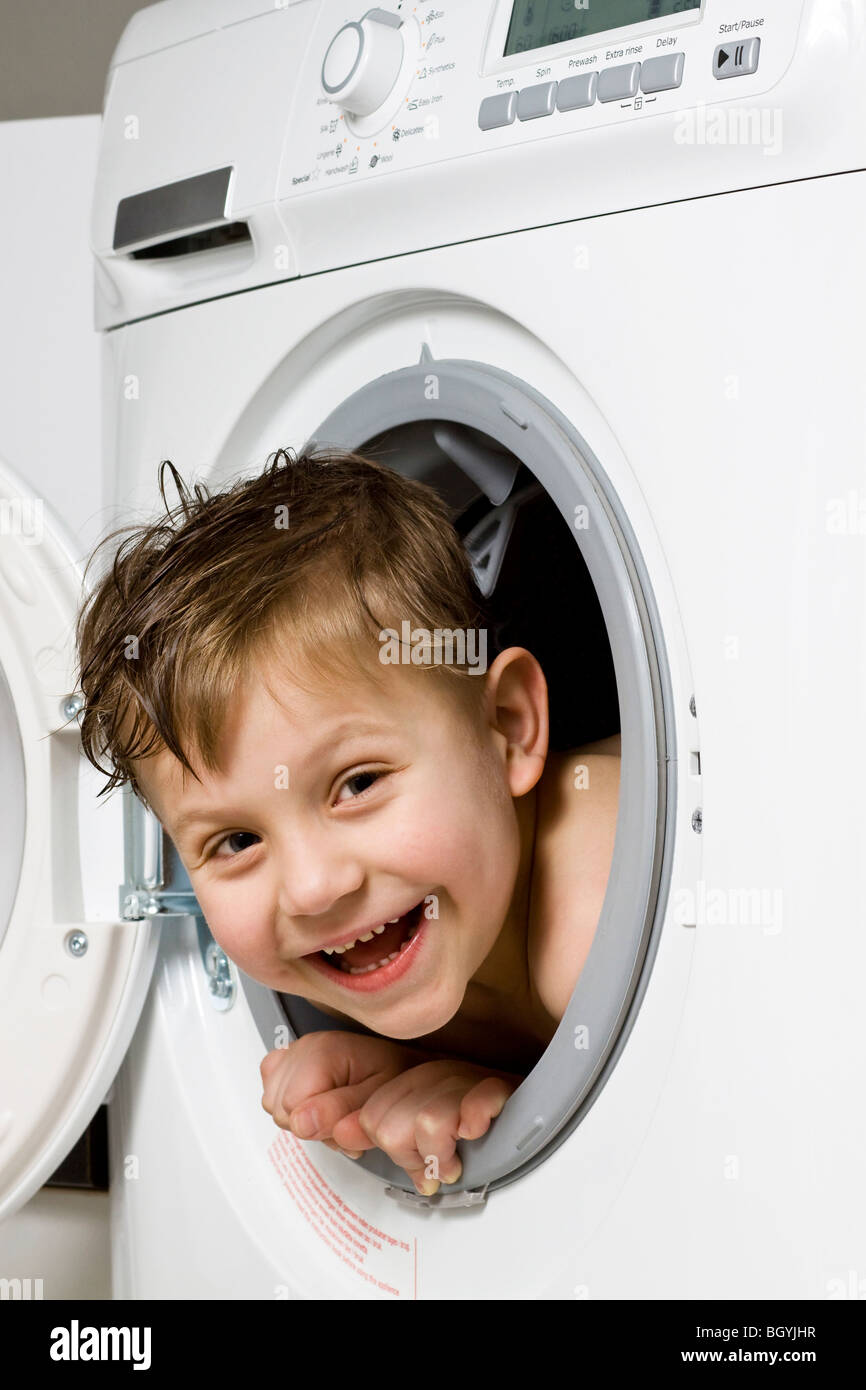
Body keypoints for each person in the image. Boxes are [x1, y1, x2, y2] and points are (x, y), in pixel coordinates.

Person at [74, 447, 620, 1195]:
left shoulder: (599, 911)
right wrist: (433, 1073)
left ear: (510, 727)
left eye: (357, 784)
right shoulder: (418, 925)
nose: (311, 888)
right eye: (236, 840)